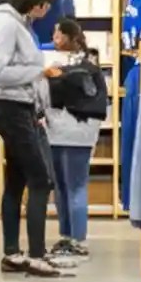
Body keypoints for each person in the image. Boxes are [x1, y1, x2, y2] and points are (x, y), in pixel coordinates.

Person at [0, 0, 71, 279]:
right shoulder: (8, 22)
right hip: (10, 108)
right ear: (36, 2)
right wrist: (38, 71)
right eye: (45, 4)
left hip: (19, 107)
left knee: (18, 180)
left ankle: (13, 253)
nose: (47, 10)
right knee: (40, 179)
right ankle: (35, 256)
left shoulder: (16, 21)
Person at [43, 18, 106, 262]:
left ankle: (75, 238)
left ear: (68, 37)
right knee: (68, 186)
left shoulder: (61, 63)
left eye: (57, 35)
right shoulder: (90, 61)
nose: (53, 40)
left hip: (62, 127)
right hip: (75, 129)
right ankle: (71, 237)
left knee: (69, 186)